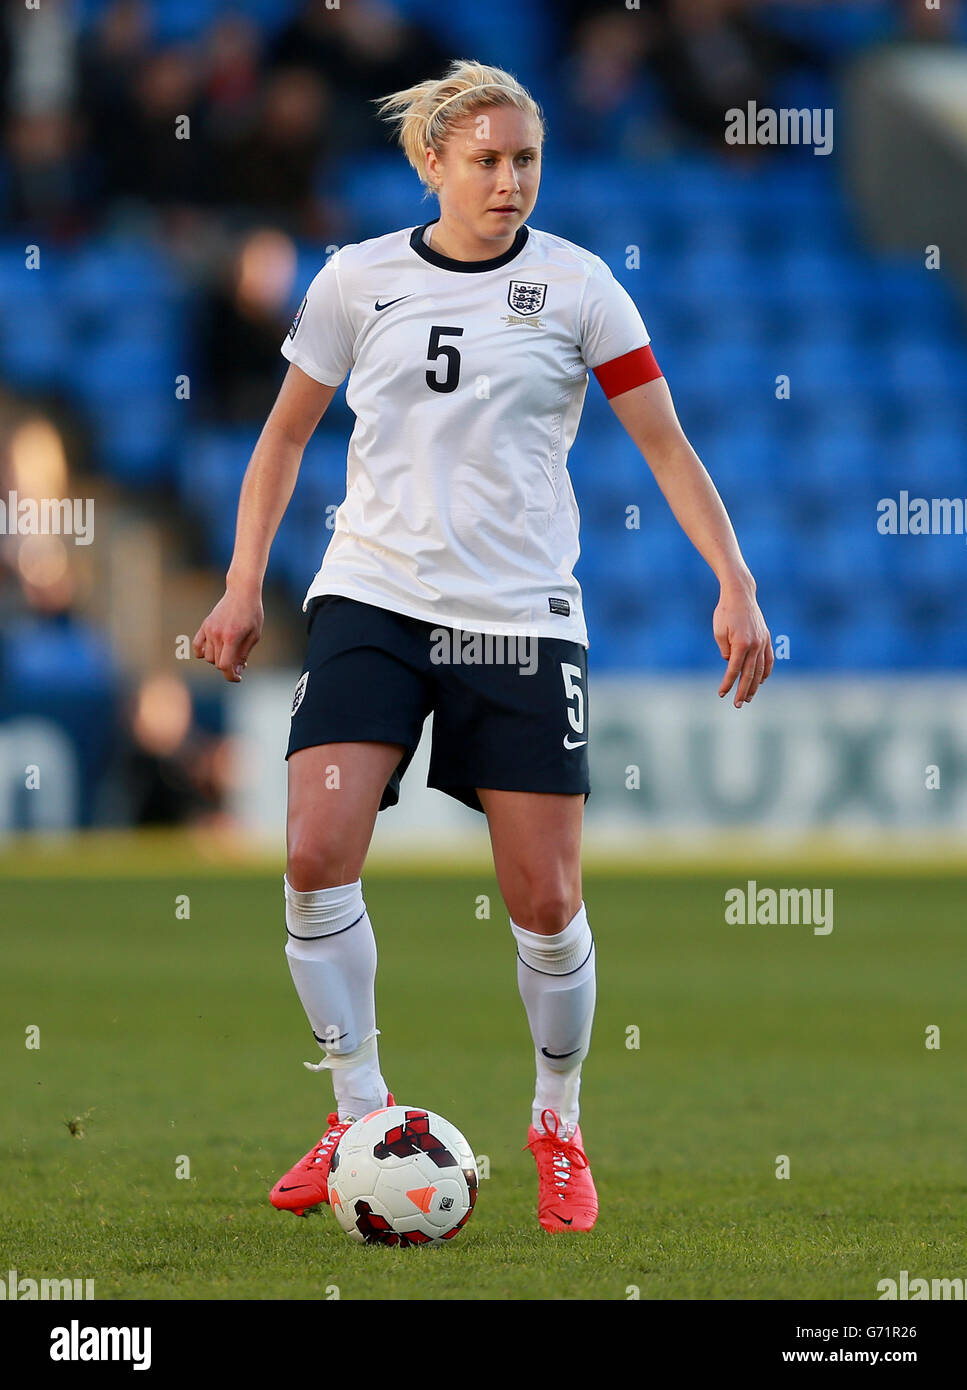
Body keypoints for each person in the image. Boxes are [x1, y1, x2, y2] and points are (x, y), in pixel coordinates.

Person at [192, 58, 773, 1235]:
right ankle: (356, 1109)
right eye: (487, 161)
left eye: (526, 162)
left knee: (546, 898)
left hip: (519, 616)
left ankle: (556, 1122)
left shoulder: (581, 287)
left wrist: (735, 578)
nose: (510, 182)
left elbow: (663, 444)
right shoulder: (358, 281)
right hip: (373, 596)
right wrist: (245, 579)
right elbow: (281, 438)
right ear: (432, 163)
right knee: (313, 849)